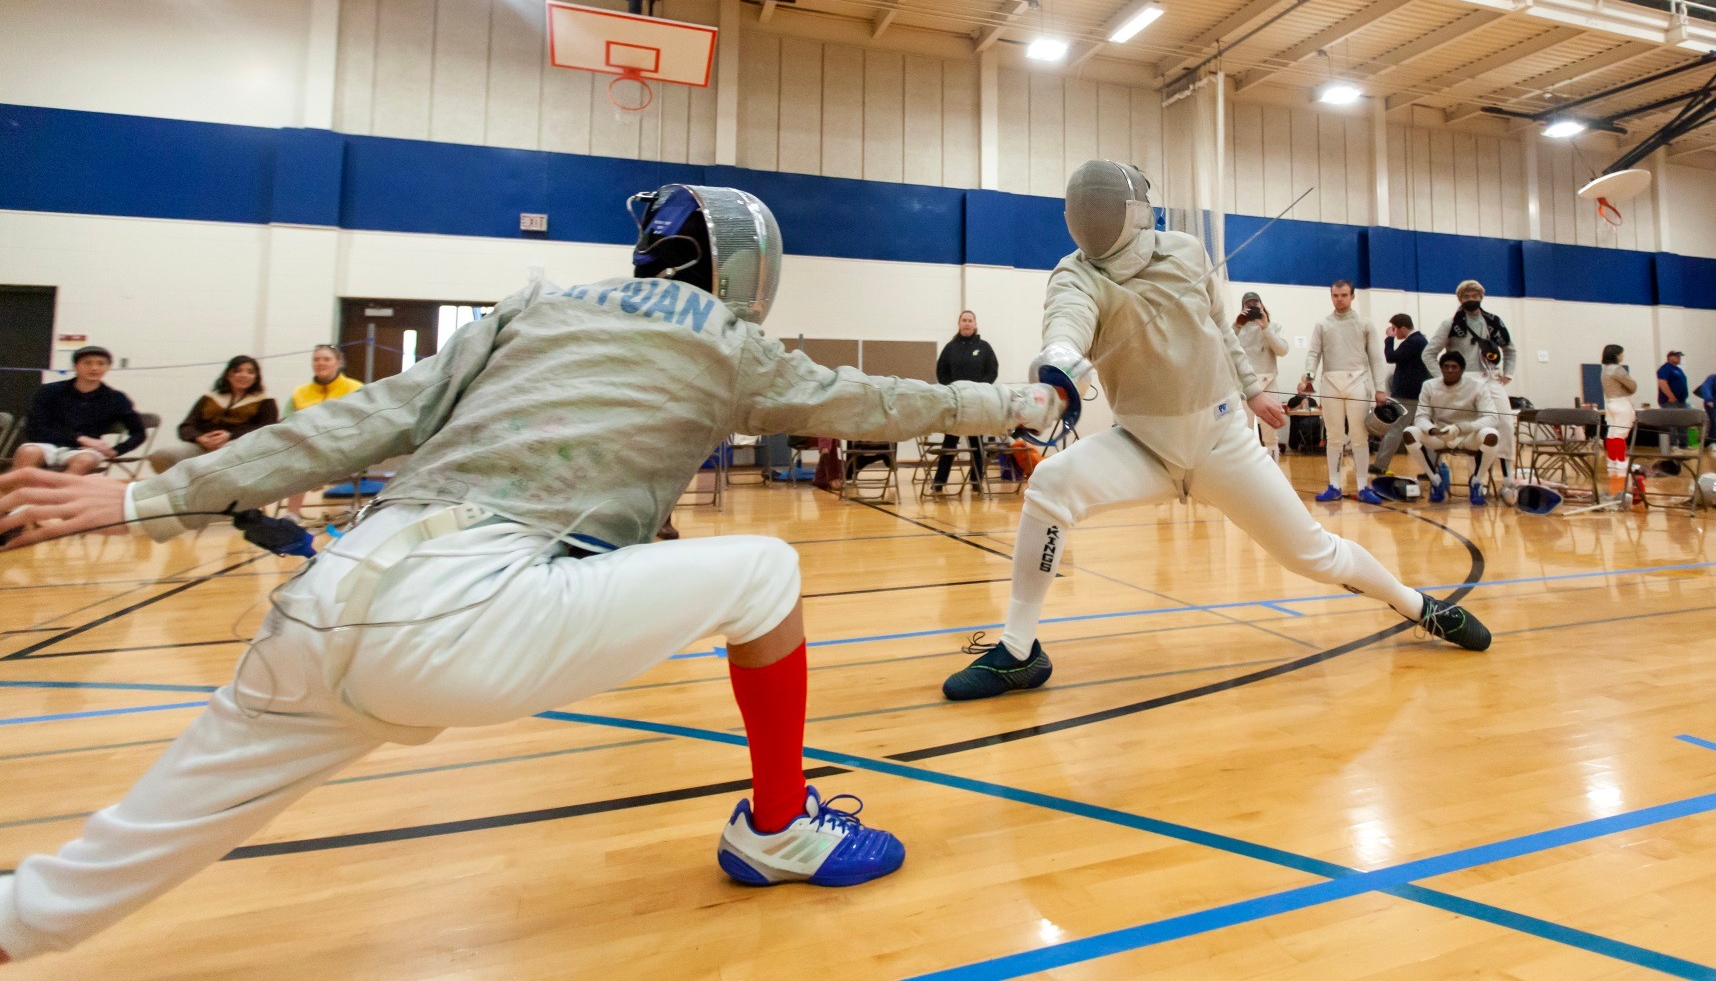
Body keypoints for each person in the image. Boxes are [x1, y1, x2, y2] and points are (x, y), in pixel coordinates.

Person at [0, 183, 1068, 964]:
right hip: (467, 622)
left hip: (324, 609)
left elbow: (370, 418)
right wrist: (1023, 403)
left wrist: (153, 497)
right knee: (769, 571)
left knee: (87, 877)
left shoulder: (530, 309)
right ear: (748, 272)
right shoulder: (727, 343)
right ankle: (777, 826)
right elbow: (879, 403)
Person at [939, 159, 1491, 703]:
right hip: (1143, 445)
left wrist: (1251, 388)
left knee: (1314, 555)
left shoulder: (1185, 250)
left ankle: (1418, 606)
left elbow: (1221, 331)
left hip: (1222, 439)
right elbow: (1066, 322)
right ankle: (1018, 650)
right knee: (1051, 486)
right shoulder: (1077, 274)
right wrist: (1059, 361)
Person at [1297, 280, 1391, 504]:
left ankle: (1362, 487)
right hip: (1330, 383)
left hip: (1358, 382)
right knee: (1334, 437)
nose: (1340, 299)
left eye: (1344, 295)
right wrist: (1308, 375)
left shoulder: (1365, 324)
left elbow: (1376, 358)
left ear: (1352, 296)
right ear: (1331, 296)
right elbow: (1313, 353)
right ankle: (1334, 485)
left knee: (1359, 437)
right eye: (1336, 295)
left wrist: (1380, 389)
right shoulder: (1322, 324)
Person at [1423, 280, 1517, 479]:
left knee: (1506, 423)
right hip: (1464, 381)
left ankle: (1509, 478)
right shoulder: (1449, 324)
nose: (1471, 299)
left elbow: (1510, 349)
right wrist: (1445, 378)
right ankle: (1478, 479)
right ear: (1460, 299)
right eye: (1466, 297)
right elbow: (1428, 353)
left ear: (1481, 297)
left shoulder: (1493, 322)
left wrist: (1507, 374)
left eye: (1475, 296)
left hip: (1490, 378)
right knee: (1474, 427)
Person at [11, 346, 144, 476]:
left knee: (86, 460)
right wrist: (81, 438)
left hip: (83, 451)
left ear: (108, 367)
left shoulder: (116, 398)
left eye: (101, 363)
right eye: (87, 363)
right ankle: (15, 491)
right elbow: (34, 428)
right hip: (46, 445)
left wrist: (116, 450)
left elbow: (139, 432)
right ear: (75, 366)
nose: (94, 368)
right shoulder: (49, 391)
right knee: (28, 452)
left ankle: (56, 494)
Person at [150, 356, 280, 474]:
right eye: (238, 371)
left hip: (238, 447)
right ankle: (181, 492)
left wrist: (230, 435)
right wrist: (199, 438)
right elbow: (186, 426)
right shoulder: (209, 398)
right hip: (202, 445)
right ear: (229, 374)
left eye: (250, 372)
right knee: (161, 455)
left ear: (256, 377)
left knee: (225, 454)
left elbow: (267, 429)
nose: (244, 375)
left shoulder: (265, 401)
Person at [1406, 351, 1503, 506]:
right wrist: (1433, 430)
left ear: (1462, 370)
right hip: (1441, 436)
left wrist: (1463, 427)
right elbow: (1421, 417)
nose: (1449, 370)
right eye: (1446, 366)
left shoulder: (1477, 386)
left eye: (1454, 367)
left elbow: (1492, 418)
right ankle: (1435, 479)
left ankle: (1477, 481)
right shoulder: (1429, 386)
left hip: (1468, 436)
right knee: (1410, 433)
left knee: (1491, 435)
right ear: (1441, 368)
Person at [281, 345, 365, 518]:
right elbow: (286, 423)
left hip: (344, 449)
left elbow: (363, 424)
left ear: (339, 363)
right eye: (316, 359)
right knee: (296, 459)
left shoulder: (356, 388)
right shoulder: (300, 392)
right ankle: (292, 516)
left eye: (326, 359)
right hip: (306, 449)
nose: (320, 363)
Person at [932, 310, 999, 492]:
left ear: (975, 324)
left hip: (977, 404)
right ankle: (939, 481)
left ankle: (976, 480)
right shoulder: (950, 348)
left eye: (970, 320)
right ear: (959, 324)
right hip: (955, 404)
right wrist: (952, 390)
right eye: (964, 320)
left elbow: (992, 371)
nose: (967, 323)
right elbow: (941, 372)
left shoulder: (984, 347)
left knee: (976, 444)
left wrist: (980, 389)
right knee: (949, 444)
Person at [1372, 313, 1429, 476]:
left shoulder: (1414, 341)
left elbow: (1391, 357)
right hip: (1412, 394)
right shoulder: (1418, 341)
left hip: (1407, 395)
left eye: (1395, 329)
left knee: (1395, 429)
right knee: (1423, 431)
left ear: (1403, 328)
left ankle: (1380, 464)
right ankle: (1431, 468)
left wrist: (1389, 339)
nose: (1394, 332)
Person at [1234, 293, 1290, 460]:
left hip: (1268, 383)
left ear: (1261, 305)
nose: (1251, 307)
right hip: (1245, 386)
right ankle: (1249, 480)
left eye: (1255, 304)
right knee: (1246, 435)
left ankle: (1274, 477)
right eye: (1248, 304)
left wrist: (1265, 327)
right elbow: (1223, 347)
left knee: (1270, 434)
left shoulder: (1272, 327)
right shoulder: (1236, 329)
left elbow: (1282, 350)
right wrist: (1237, 325)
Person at [1600, 344, 1637, 476]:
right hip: (1621, 403)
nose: (1623, 356)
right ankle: (1622, 461)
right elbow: (1632, 386)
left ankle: (1612, 460)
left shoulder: (1604, 369)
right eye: (1621, 353)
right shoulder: (1617, 369)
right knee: (1620, 434)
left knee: (1612, 432)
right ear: (1616, 355)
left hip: (1610, 403)